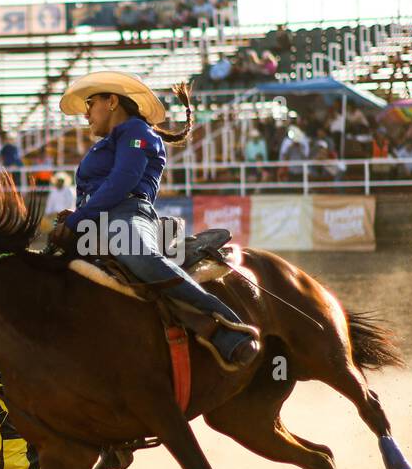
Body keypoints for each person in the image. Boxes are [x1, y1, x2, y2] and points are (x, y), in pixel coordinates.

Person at [50, 70, 260, 371]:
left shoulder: (136, 131)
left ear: (111, 101)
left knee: (140, 257)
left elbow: (124, 181)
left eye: (90, 103)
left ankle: (229, 328)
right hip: (93, 222)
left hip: (126, 214)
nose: (86, 114)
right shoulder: (111, 141)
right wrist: (75, 218)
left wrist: (77, 218)